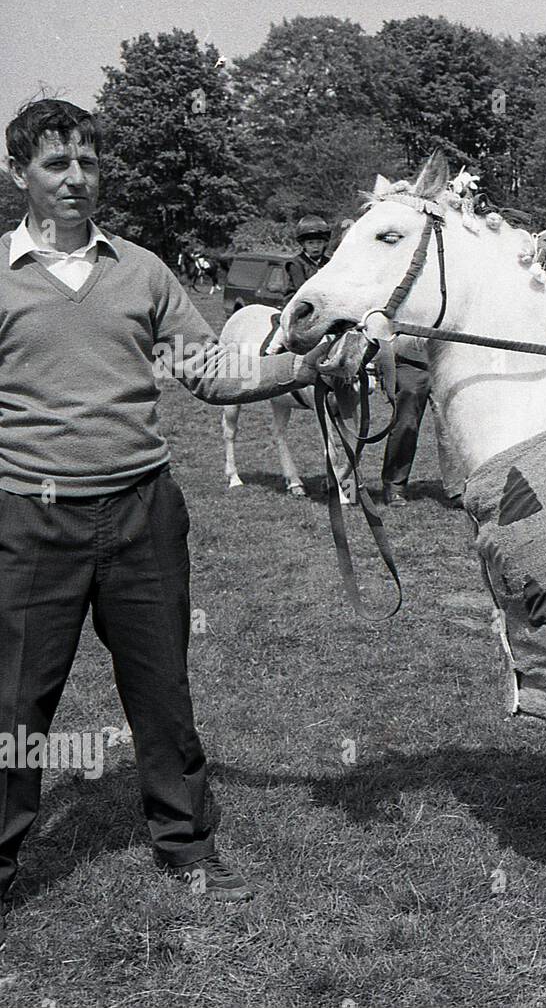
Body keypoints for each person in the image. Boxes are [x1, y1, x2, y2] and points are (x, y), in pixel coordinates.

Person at [0, 100, 343, 948]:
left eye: (86, 161)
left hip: (142, 513)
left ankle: (186, 845)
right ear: (19, 175)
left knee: (161, 690)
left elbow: (215, 374)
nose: (74, 179)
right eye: (54, 164)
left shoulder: (145, 271)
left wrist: (312, 361)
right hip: (28, 518)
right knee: (14, 704)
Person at [380, 335, 433, 507]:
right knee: (407, 424)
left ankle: (456, 489)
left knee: (455, 428)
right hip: (410, 360)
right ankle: (394, 485)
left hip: (449, 358)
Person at [284, 213, 330, 299]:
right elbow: (302, 289)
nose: (315, 246)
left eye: (319, 242)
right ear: (303, 244)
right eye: (310, 243)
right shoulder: (295, 264)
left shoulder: (329, 263)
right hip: (298, 302)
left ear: (324, 243)